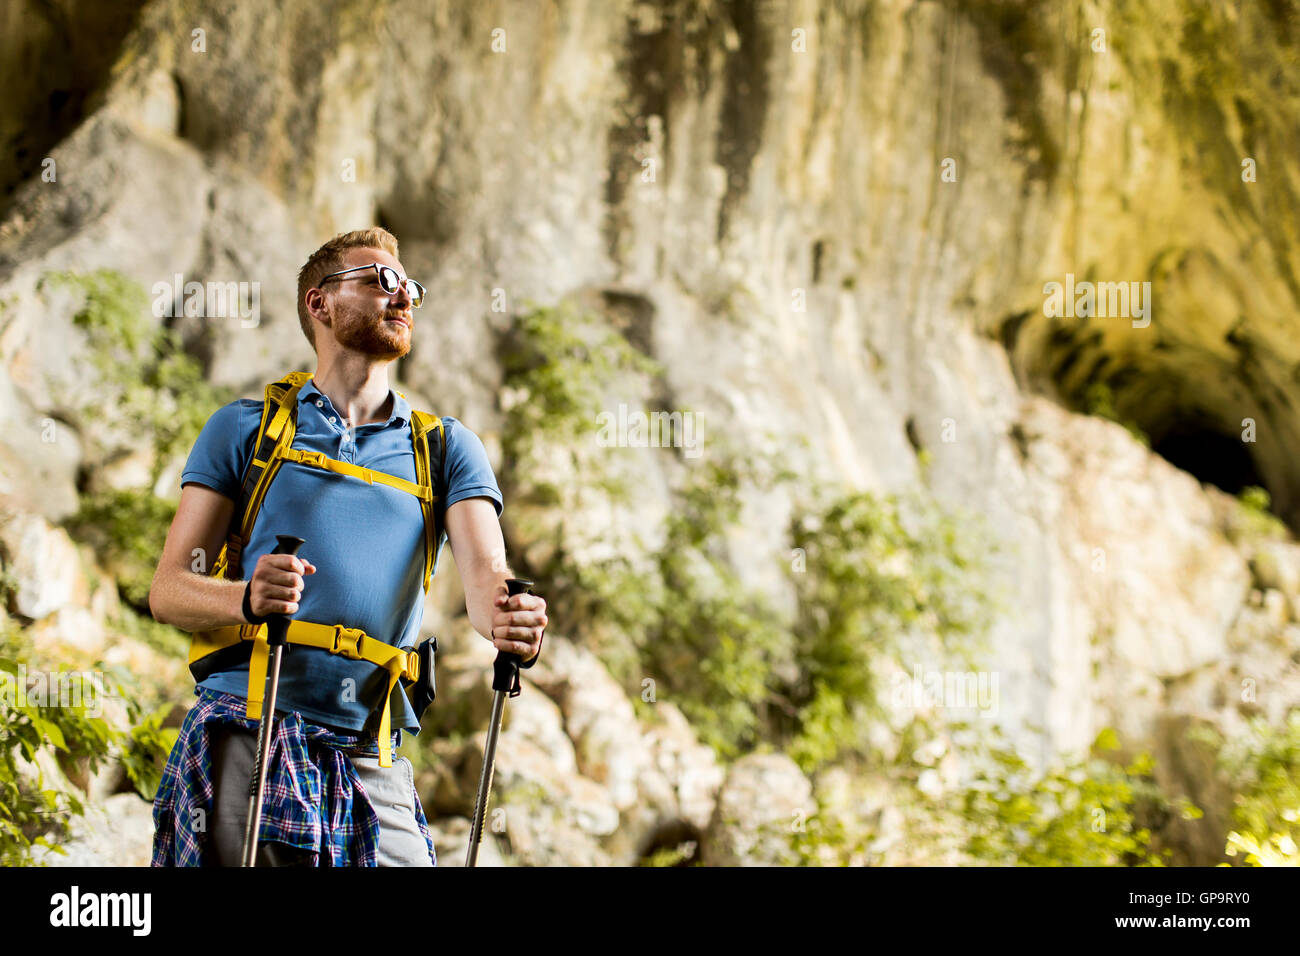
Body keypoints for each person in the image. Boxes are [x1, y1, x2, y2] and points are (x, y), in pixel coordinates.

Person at [147, 227, 546, 866]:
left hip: (370, 749)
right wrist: (246, 598)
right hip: (251, 726)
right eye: (379, 280)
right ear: (319, 303)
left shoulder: (445, 448)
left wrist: (510, 616)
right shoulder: (245, 430)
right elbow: (169, 591)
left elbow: (487, 579)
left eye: (409, 286)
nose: (403, 296)